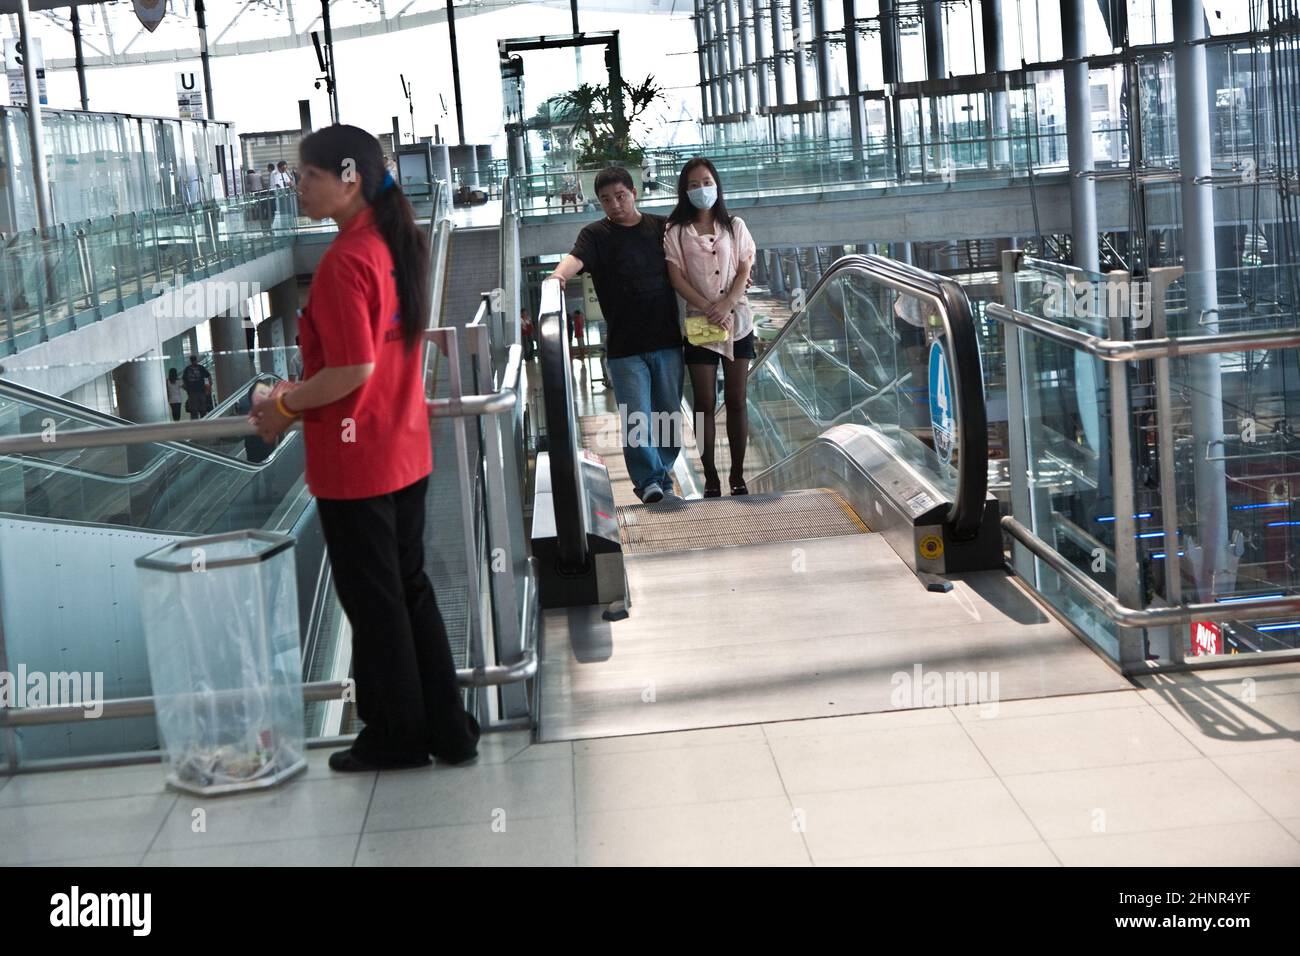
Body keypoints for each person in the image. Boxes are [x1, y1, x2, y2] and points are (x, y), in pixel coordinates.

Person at [249, 123, 479, 772]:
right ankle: (449, 728)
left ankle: (398, 737)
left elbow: (352, 371)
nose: (296, 186)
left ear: (349, 179)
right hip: (403, 447)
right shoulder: (392, 242)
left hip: (358, 461)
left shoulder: (347, 261)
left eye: (308, 176)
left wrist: (283, 405)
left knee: (377, 607)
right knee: (409, 591)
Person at [547, 167, 683, 504]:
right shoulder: (596, 234)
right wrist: (556, 277)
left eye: (620, 196)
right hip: (625, 347)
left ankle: (662, 472)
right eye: (606, 200)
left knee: (667, 414)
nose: (614, 204)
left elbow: (693, 261)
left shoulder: (661, 227)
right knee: (636, 415)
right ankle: (648, 480)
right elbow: (575, 258)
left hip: (667, 339)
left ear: (634, 192)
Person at [664, 157, 756, 496]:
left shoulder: (735, 225)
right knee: (703, 401)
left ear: (716, 184)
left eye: (705, 182)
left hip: (738, 322)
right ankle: (711, 476)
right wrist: (709, 308)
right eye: (692, 185)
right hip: (700, 326)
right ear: (684, 191)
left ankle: (737, 475)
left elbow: (745, 266)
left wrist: (728, 303)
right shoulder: (676, 231)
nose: (700, 189)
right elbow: (677, 276)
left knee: (736, 399)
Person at [180, 355, 211, 420]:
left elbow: (184, 380)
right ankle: (203, 423)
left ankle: (195, 424)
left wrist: (187, 388)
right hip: (200, 391)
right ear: (196, 360)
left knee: (194, 411)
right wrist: (209, 386)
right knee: (202, 409)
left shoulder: (187, 369)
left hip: (193, 392)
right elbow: (208, 376)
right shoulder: (201, 367)